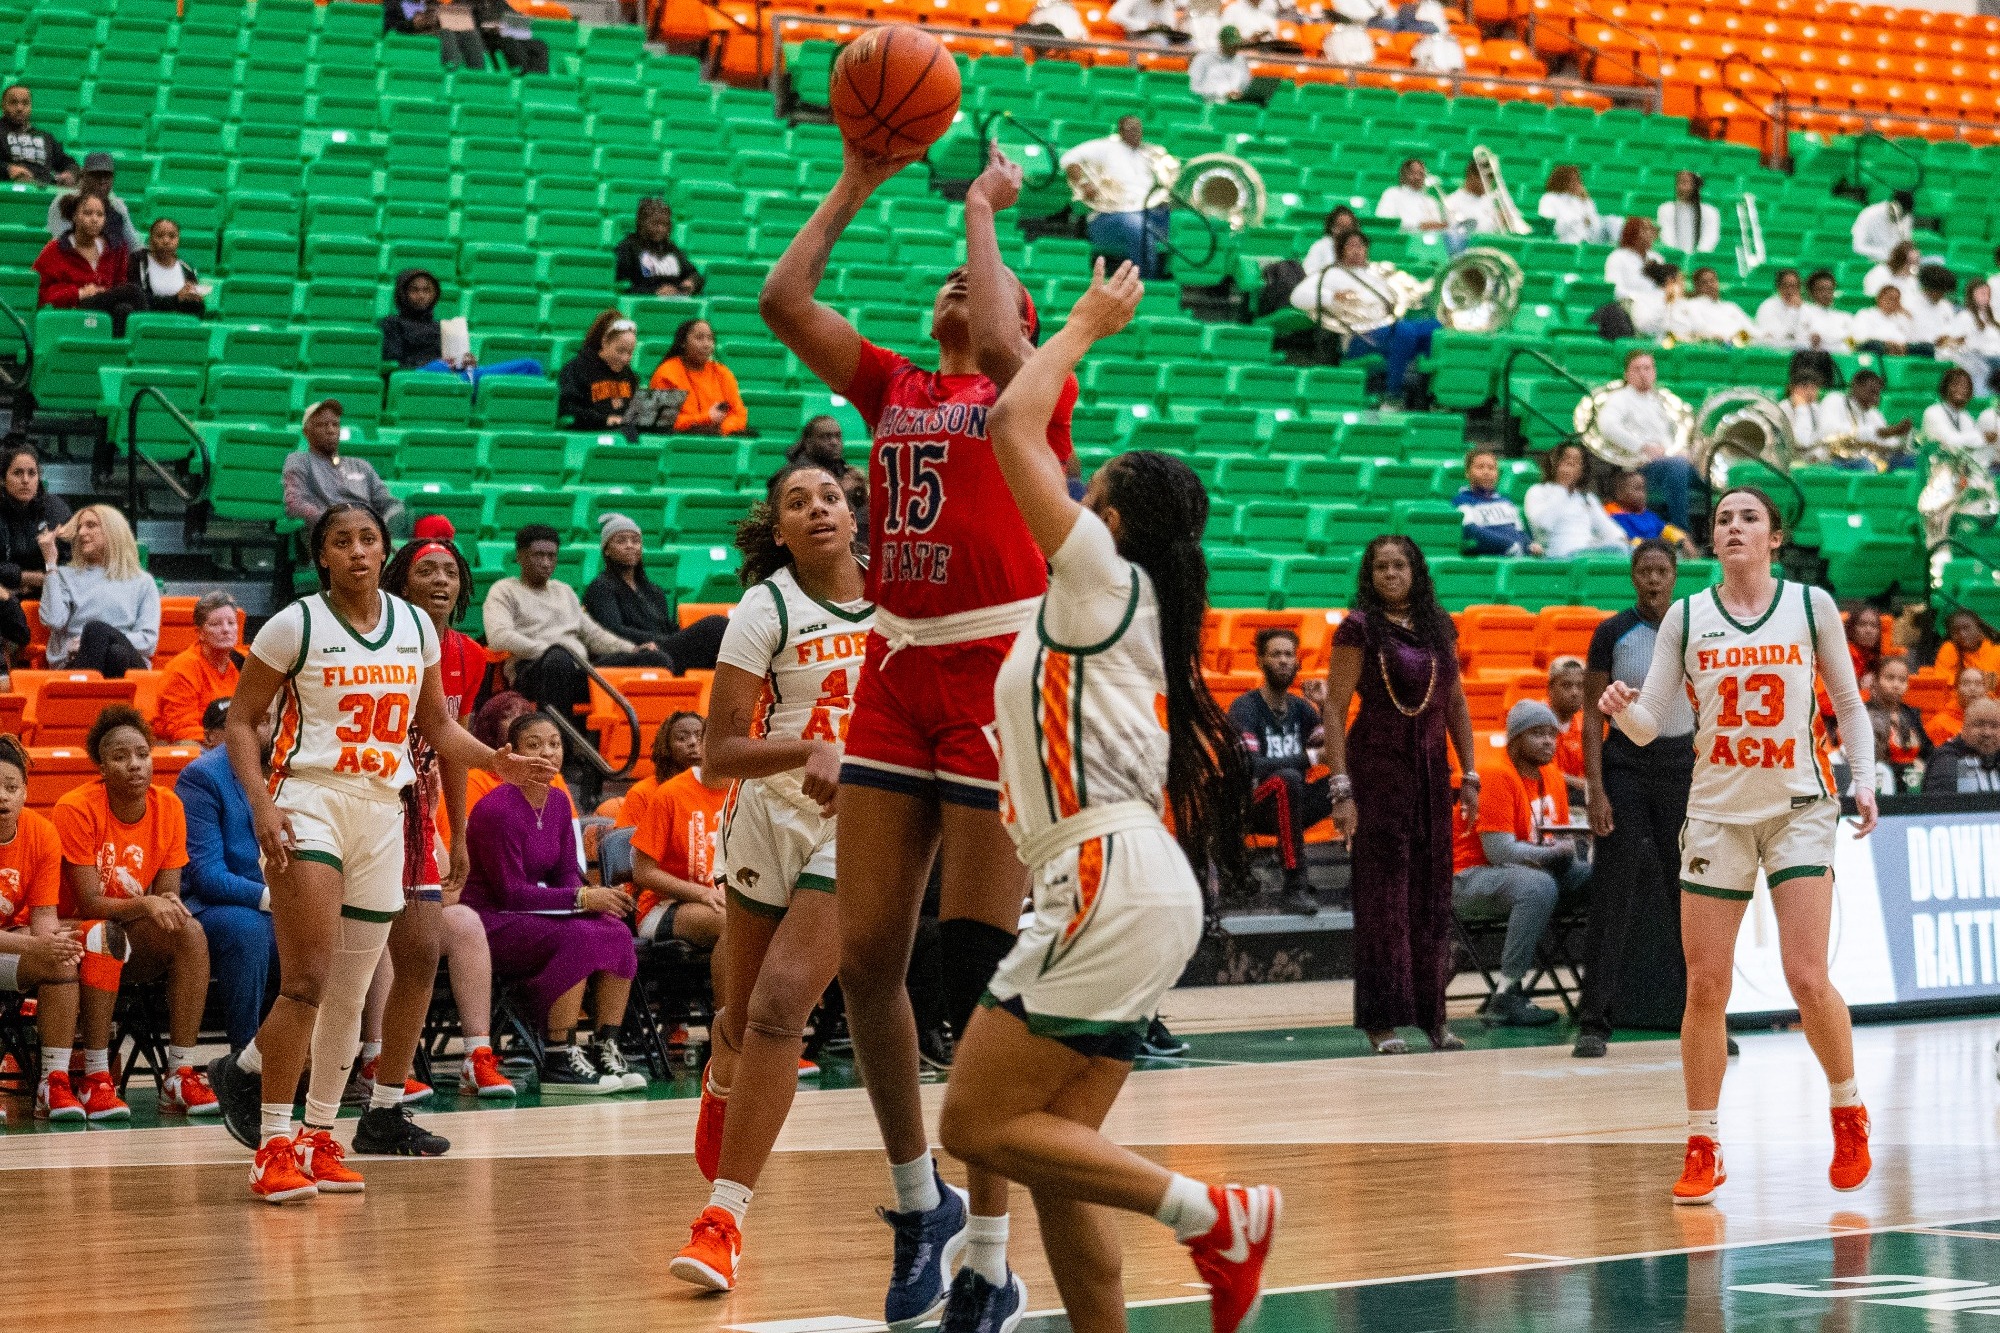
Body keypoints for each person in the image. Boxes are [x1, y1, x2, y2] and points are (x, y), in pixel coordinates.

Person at [760, 141, 1078, 1325]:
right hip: (896, 670)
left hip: (997, 673)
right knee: (866, 962)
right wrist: (851, 175)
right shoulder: (891, 386)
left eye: (977, 281)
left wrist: (984, 209)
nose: (959, 289)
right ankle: (919, 1200)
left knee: (981, 974)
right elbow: (781, 301)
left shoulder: (1028, 389)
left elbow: (1001, 342)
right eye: (947, 278)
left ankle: (992, 1258)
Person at [927, 259, 1276, 1333]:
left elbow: (1010, 427)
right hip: (1131, 882)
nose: (1073, 492)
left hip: (1101, 878)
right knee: (1058, 1159)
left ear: (1110, 514)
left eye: (1093, 486)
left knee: (973, 1126)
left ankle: (1213, 1211)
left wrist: (1078, 326)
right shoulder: (1127, 602)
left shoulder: (1096, 573)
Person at [205, 503, 555, 1203]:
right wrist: (261, 802)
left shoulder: (415, 627)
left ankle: (321, 1136)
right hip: (308, 798)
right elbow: (241, 721)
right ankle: (273, 1143)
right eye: (343, 541)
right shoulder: (294, 623)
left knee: (351, 989)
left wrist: (500, 762)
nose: (358, 550)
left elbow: (436, 727)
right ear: (324, 557)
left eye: (368, 538)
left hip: (382, 806)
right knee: (305, 977)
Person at [1600, 486, 1877, 1204]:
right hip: (1718, 811)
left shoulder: (1810, 605)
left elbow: (1847, 702)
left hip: (1800, 805)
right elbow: (1654, 720)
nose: (1732, 526)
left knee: (1806, 974)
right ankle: (1703, 1141)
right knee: (1705, 985)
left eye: (1747, 517)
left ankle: (1848, 1109)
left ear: (1774, 537)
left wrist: (1867, 780)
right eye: (1722, 518)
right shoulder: (1688, 616)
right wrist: (1623, 713)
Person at [670, 461, 874, 1291]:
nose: (817, 507)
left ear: (853, 516)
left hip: (858, 823)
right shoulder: (767, 607)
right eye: (798, 501)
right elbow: (719, 754)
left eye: (829, 495)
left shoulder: (899, 602)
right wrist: (807, 747)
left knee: (783, 1003)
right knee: (742, 1014)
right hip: (768, 812)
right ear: (780, 530)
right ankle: (723, 1075)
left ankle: (722, 1221)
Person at [347, 534, 513, 1159]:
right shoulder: (377, 633)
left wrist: (460, 834)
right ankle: (285, 1077)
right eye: (427, 570)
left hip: (418, 805)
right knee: (351, 951)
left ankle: (385, 1096)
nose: (441, 580)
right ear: (401, 581)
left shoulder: (467, 654)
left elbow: (451, 746)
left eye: (451, 571)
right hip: (359, 797)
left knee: (417, 943)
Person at [1326, 536, 1480, 1056]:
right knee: (1382, 898)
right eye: (1381, 567)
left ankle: (1434, 1018)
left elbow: (1456, 705)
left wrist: (1471, 774)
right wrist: (1341, 789)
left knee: (1432, 894)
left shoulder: (1440, 626)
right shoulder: (1358, 629)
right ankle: (1382, 1022)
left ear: (1417, 571)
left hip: (1433, 774)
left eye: (1400, 565)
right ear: (1369, 576)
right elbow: (1335, 709)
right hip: (1377, 770)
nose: (1391, 574)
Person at [463, 712, 643, 1094]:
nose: (547, 752)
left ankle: (604, 1046)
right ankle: (559, 1056)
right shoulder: (495, 809)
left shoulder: (559, 802)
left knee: (615, 930)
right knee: (577, 936)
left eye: (554, 743)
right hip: (491, 921)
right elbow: (510, 893)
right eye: (534, 745)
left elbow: (564, 874)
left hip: (538, 911)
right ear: (511, 753)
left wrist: (596, 899)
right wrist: (581, 898)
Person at [53, 706, 214, 1121]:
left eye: (142, 754)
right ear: (101, 765)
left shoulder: (170, 807)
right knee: (102, 932)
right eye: (121, 757)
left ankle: (179, 1071)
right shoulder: (76, 807)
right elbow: (89, 903)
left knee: (190, 931)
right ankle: (95, 1076)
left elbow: (168, 900)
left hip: (129, 936)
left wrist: (156, 906)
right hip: (71, 936)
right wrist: (145, 904)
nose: (134, 765)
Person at [1574, 541, 1693, 1058]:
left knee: (1688, 894)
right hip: (1625, 766)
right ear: (1632, 576)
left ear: (1674, 576)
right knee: (1613, 891)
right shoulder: (1611, 633)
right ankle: (1594, 1021)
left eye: (1661, 571)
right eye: (1644, 571)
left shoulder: (1694, 629)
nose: (1652, 580)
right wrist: (1596, 790)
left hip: (1683, 767)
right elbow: (1591, 718)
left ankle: (1702, 1019)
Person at [1451, 699, 1587, 1027]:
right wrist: (1557, 853)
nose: (1548, 742)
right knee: (1537, 886)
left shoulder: (1552, 776)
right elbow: (1500, 853)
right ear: (1515, 739)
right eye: (1537, 734)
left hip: (1532, 873)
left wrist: (1569, 850)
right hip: (1470, 877)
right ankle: (1507, 993)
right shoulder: (1496, 776)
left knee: (1605, 876)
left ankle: (1604, 987)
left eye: (1552, 735)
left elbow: (1557, 841)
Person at [483, 523, 680, 728]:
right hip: (533, 672)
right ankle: (560, 744)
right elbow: (499, 637)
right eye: (538, 555)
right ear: (520, 556)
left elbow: (593, 634)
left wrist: (632, 649)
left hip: (579, 670)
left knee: (655, 658)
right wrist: (552, 651)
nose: (545, 562)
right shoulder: (504, 590)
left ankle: (645, 735)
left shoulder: (564, 591)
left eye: (551, 556)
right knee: (558, 660)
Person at [175, 707, 279, 1053]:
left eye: (276, 720)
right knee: (249, 927)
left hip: (279, 902)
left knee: (340, 925)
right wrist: (273, 899)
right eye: (262, 721)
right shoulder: (203, 777)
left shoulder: (300, 768)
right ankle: (245, 1058)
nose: (271, 730)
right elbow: (207, 876)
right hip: (217, 905)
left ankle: (347, 1056)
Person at [0, 737, 88, 1121]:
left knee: (62, 961)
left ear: (24, 793)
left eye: (11, 787)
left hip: (10, 947)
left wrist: (55, 945)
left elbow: (43, 922)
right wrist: (36, 946)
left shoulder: (42, 833)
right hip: (13, 946)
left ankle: (52, 1083)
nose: (2, 797)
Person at [1229, 627, 1331, 916]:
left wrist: (1324, 706)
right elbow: (1250, 766)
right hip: (1253, 805)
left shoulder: (1302, 709)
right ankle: (1294, 885)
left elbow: (1335, 752)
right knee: (1287, 780)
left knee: (1355, 781)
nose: (1284, 660)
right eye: (1276, 654)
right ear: (1260, 662)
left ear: (1298, 662)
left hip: (1294, 803)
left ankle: (1371, 879)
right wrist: (1310, 758)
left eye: (1289, 654)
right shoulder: (1245, 708)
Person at [1288, 229, 1438, 401]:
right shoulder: (1331, 273)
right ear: (1341, 250)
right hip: (1357, 337)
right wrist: (1332, 297)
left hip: (1389, 328)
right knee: (1404, 332)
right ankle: (1392, 395)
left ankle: (1430, 397)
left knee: (1437, 327)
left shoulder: (1376, 273)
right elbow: (1297, 297)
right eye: (1351, 245)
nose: (1357, 249)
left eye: (1361, 245)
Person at [628, 714, 728, 948]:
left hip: (726, 901)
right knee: (735, 926)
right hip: (665, 904)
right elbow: (643, 873)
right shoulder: (670, 794)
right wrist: (701, 894)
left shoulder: (745, 791)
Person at [39, 503, 160, 677]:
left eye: (91, 525)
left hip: (130, 665)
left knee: (98, 633)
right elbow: (53, 621)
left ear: (113, 531)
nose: (81, 533)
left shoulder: (143, 582)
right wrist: (51, 564)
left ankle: (83, 698)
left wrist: (90, 641)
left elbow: (148, 641)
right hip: (74, 663)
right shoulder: (64, 575)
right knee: (114, 653)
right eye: (79, 527)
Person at [1591, 351, 1699, 531]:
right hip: (1640, 467)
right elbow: (1607, 425)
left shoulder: (1660, 400)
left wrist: (1683, 450)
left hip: (1668, 461)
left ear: (1654, 372)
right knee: (1677, 467)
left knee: (1710, 472)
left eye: (1647, 368)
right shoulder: (1620, 398)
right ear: (1627, 375)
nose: (1643, 373)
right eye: (1637, 369)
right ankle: (1681, 531)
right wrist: (1641, 446)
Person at [1060, 116, 1175, 280]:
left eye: (1138, 129)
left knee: (1182, 222)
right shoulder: (1105, 147)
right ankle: (1144, 281)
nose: (1136, 133)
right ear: (1121, 131)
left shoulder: (1149, 153)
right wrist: (1084, 183)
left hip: (1147, 212)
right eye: (1131, 129)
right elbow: (1068, 159)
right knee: (1135, 224)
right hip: (1109, 217)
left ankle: (1172, 278)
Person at [282, 399, 405, 530]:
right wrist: (335, 520)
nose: (330, 430)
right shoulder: (300, 461)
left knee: (423, 520)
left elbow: (388, 502)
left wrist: (384, 524)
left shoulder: (361, 465)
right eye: (322, 425)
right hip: (330, 532)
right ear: (306, 432)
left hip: (368, 530)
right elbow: (294, 504)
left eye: (335, 424)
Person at [34, 193, 141, 334]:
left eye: (100, 215)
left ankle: (117, 353)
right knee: (133, 291)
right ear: (74, 216)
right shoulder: (55, 249)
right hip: (74, 309)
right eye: (87, 213)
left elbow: (119, 284)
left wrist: (104, 293)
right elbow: (40, 294)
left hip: (105, 312)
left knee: (124, 310)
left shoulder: (115, 249)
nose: (94, 219)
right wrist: (79, 293)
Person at [153, 592, 242, 743]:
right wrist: (233, 742)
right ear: (200, 633)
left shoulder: (246, 663)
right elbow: (182, 730)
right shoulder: (182, 669)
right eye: (216, 624)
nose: (226, 629)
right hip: (193, 744)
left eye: (231, 623)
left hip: (235, 743)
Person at [1524, 442, 1627, 559]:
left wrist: (1621, 538)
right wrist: (1562, 488)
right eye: (1566, 459)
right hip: (1559, 555)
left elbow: (1610, 530)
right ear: (1554, 463)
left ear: (1582, 470)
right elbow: (1543, 525)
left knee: (1632, 551)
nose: (1571, 463)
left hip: (1587, 553)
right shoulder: (1537, 491)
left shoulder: (1586, 498)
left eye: (1576, 461)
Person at [649, 318, 748, 435]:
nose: (706, 344)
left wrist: (721, 431)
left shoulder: (722, 373)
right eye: (699, 338)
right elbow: (663, 421)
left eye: (710, 339)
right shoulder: (668, 373)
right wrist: (707, 418)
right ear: (683, 343)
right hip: (682, 439)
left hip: (719, 437)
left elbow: (738, 414)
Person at [0, 442, 69, 599]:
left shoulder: (55, 509)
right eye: (17, 473)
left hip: (49, 593)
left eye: (32, 473)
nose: (25, 480)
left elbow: (69, 558)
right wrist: (24, 577)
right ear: (3, 479)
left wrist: (47, 578)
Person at [617, 710, 702, 831]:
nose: (693, 742)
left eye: (700, 736)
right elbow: (623, 845)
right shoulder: (641, 794)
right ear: (666, 747)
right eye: (682, 738)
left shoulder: (725, 791)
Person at [557, 311, 638, 430]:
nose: (625, 358)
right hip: (590, 433)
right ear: (605, 342)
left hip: (622, 431)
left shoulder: (628, 375)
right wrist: (603, 420)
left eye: (630, 353)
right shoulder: (576, 369)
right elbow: (567, 408)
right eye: (620, 351)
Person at [1454, 446, 1538, 556]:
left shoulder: (1506, 502)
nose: (1486, 472)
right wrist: (1508, 544)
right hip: (1490, 560)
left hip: (1517, 555)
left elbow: (1520, 531)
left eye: (1491, 468)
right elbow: (1470, 530)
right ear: (1467, 472)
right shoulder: (1462, 500)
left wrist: (1530, 545)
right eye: (1480, 467)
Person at [613, 197, 704, 297]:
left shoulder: (671, 249)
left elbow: (694, 275)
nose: (661, 229)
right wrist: (654, 292)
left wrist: (691, 283)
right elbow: (622, 287)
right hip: (645, 305)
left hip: (676, 303)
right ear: (642, 223)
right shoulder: (627, 248)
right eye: (655, 224)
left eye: (665, 225)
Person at [1816, 369, 1912, 463]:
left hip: (1871, 459)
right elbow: (1829, 432)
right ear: (1855, 387)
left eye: (1878, 394)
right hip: (1835, 460)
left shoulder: (1873, 413)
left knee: (1913, 461)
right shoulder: (1834, 400)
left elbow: (1891, 443)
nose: (1875, 399)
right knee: (1866, 465)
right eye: (1871, 392)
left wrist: (1901, 435)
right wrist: (1878, 433)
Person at [47, 152, 138, 251]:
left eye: (107, 176)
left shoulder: (117, 206)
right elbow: (64, 243)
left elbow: (133, 244)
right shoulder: (64, 202)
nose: (103, 181)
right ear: (84, 176)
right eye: (97, 175)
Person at [1867, 655, 1930, 794]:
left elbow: (1927, 751)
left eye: (1902, 680)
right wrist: (1909, 765)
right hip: (1878, 784)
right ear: (1876, 681)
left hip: (1912, 785)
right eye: (1889, 678)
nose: (1896, 685)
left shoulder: (1911, 713)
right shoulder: (1864, 714)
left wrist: (1922, 763)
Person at [1604, 469, 1697, 556]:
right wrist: (1661, 545)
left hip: (1656, 553)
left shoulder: (1648, 515)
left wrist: (1682, 540)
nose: (1642, 494)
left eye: (1643, 489)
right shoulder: (1614, 516)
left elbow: (1666, 529)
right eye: (1637, 489)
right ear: (1620, 493)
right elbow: (1628, 542)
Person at [128, 217, 208, 315]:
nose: (166, 241)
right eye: (160, 236)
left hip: (178, 322)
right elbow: (136, 299)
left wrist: (195, 298)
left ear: (178, 240)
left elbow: (198, 308)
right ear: (150, 239)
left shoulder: (187, 267)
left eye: (172, 236)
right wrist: (176, 299)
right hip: (147, 320)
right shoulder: (138, 262)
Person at [0, 83, 77, 185]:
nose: (19, 108)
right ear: (3, 105)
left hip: (43, 191)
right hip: (9, 192)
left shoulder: (45, 137)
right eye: (13, 102)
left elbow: (67, 162)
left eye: (25, 103)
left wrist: (69, 173)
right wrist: (8, 169)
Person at [1921, 696, 2000, 793]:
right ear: (1964, 729)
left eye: (1995, 726)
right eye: (1979, 725)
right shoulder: (1946, 760)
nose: (1987, 733)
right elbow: (1942, 805)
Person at [382, 0, 490, 65]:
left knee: (470, 33)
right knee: (446, 33)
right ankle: (452, 68)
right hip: (412, 35)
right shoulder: (394, 4)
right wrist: (412, 24)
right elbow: (388, 27)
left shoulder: (434, 3)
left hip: (436, 32)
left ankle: (478, 74)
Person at [1666, 267, 1753, 345]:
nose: (1710, 285)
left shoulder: (1730, 307)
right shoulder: (1692, 305)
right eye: (1704, 283)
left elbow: (1752, 330)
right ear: (1697, 287)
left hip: (1741, 344)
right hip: (1717, 347)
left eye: (1712, 281)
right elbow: (1700, 329)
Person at [1537, 164, 1616, 247]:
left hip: (1588, 241)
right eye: (1572, 181)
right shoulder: (1548, 198)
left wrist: (1585, 202)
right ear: (1562, 181)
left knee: (1613, 221)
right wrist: (1580, 219)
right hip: (1563, 241)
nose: (1577, 184)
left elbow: (1595, 224)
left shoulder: (1581, 199)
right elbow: (1550, 225)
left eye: (1578, 180)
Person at [1923, 366, 1986, 463]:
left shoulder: (1965, 416)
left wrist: (1978, 439)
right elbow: (1950, 441)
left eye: (1966, 387)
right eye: (1956, 385)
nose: (1961, 390)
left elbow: (1973, 444)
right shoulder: (1932, 412)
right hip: (1935, 466)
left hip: (1960, 466)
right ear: (1945, 387)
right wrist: (1982, 437)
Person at [1546, 657, 1588, 799]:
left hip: (1579, 795)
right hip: (1546, 794)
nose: (1575, 692)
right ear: (1550, 688)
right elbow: (1541, 772)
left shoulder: (1586, 724)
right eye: (1567, 685)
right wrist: (1581, 783)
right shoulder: (1537, 721)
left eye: (1580, 686)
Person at [1851, 283, 1925, 357]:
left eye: (1896, 300)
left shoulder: (1902, 318)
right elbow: (1860, 338)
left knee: (1926, 348)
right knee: (1875, 346)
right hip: (1878, 348)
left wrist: (1909, 317)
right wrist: (1887, 343)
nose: (1893, 302)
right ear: (1879, 299)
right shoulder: (1865, 314)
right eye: (1890, 298)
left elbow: (1913, 340)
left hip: (1901, 350)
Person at [1375, 158, 1447, 234]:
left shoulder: (1430, 201)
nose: (1418, 177)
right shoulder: (1392, 194)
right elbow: (1385, 222)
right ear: (1404, 175)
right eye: (1413, 173)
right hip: (1401, 240)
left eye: (1421, 174)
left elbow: (1437, 226)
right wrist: (1418, 225)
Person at [1654, 170, 1719, 254]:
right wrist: (1678, 255)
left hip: (1699, 260)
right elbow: (1666, 236)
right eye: (1680, 182)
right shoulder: (1666, 209)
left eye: (1686, 183)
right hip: (1672, 258)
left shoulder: (1710, 211)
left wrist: (1694, 257)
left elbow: (1710, 239)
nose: (1682, 187)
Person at [1927, 665, 1991, 747]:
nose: (1972, 688)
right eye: (1966, 684)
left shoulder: (1994, 722)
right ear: (1956, 690)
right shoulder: (1940, 724)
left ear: (1986, 690)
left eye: (1978, 684)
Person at [1188, 25, 1254, 103]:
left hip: (1234, 105)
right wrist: (1222, 93)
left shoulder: (1241, 60)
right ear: (1221, 42)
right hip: (1207, 104)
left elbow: (1245, 84)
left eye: (1237, 45)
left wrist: (1239, 92)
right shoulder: (1203, 59)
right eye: (1231, 45)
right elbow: (1193, 87)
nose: (1234, 48)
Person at [1604, 217, 1663, 302]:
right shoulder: (1617, 257)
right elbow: (1616, 290)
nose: (1651, 234)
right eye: (1645, 230)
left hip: (1654, 306)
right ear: (1633, 233)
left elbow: (1664, 287)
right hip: (1628, 305)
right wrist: (1640, 298)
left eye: (1652, 230)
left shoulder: (1657, 258)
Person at [1934, 608, 2000, 683]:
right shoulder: (1949, 649)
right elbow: (1942, 679)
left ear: (1979, 628)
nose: (1962, 634)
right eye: (1955, 631)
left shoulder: (1996, 651)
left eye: (1967, 628)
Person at [1852, 190, 1915, 264]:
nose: (1901, 218)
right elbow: (1857, 247)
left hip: (1895, 264)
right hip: (1869, 262)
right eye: (1900, 214)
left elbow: (1904, 245)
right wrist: (1884, 254)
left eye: (1904, 215)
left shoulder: (1906, 217)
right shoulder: (1869, 215)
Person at [1753, 268, 1811, 349]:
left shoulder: (1806, 308)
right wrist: (1793, 310)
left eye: (1794, 286)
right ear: (1779, 287)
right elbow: (1777, 337)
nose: (1790, 290)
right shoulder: (1768, 306)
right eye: (1786, 286)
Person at [1799, 270, 1855, 352]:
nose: (1826, 294)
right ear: (1811, 292)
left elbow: (1853, 343)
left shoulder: (1844, 317)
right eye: (1821, 289)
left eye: (1829, 289)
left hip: (1842, 358)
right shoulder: (1804, 311)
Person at [1443, 161, 1501, 236]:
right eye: (1486, 180)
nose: (1489, 184)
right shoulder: (1451, 202)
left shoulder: (1490, 200)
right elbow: (1457, 232)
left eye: (1490, 180)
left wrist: (1501, 221)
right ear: (1472, 176)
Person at [1302, 204, 1361, 275]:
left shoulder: (1359, 248)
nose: (1345, 231)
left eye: (1349, 227)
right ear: (1332, 228)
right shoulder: (1320, 246)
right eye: (1341, 227)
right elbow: (1309, 274)